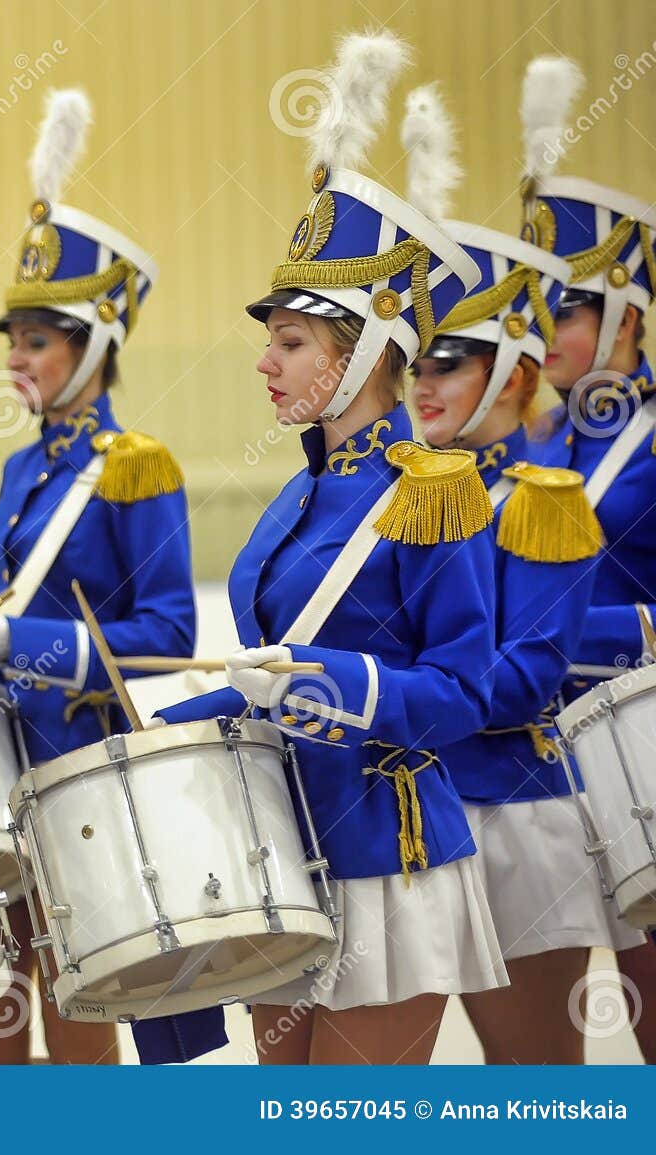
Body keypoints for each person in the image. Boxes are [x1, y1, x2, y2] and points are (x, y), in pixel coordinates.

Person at [155, 32, 504, 1065]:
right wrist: (170, 727)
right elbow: (266, 679)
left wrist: (332, 681)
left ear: (364, 355)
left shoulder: (433, 495)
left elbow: (463, 693)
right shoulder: (298, 495)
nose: (264, 363)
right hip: (283, 846)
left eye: (292, 343)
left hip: (386, 851)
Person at [0, 88, 221, 1065]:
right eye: (14, 341)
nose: (18, 359)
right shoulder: (22, 467)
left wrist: (15, 645)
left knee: (79, 999)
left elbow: (168, 638)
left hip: (83, 764)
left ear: (96, 343)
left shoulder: (136, 466)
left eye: (38, 340)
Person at [400, 80, 643, 1063]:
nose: (549, 334)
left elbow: (528, 646)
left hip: (593, 759)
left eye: (572, 308)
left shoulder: (559, 478)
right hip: (444, 786)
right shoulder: (464, 475)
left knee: (560, 1065)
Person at [520, 54, 656, 1063]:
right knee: (544, 1039)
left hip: (647, 748)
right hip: (543, 760)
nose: (542, 329)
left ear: (626, 309)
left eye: (564, 305)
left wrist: (574, 639)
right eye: (534, 305)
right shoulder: (530, 442)